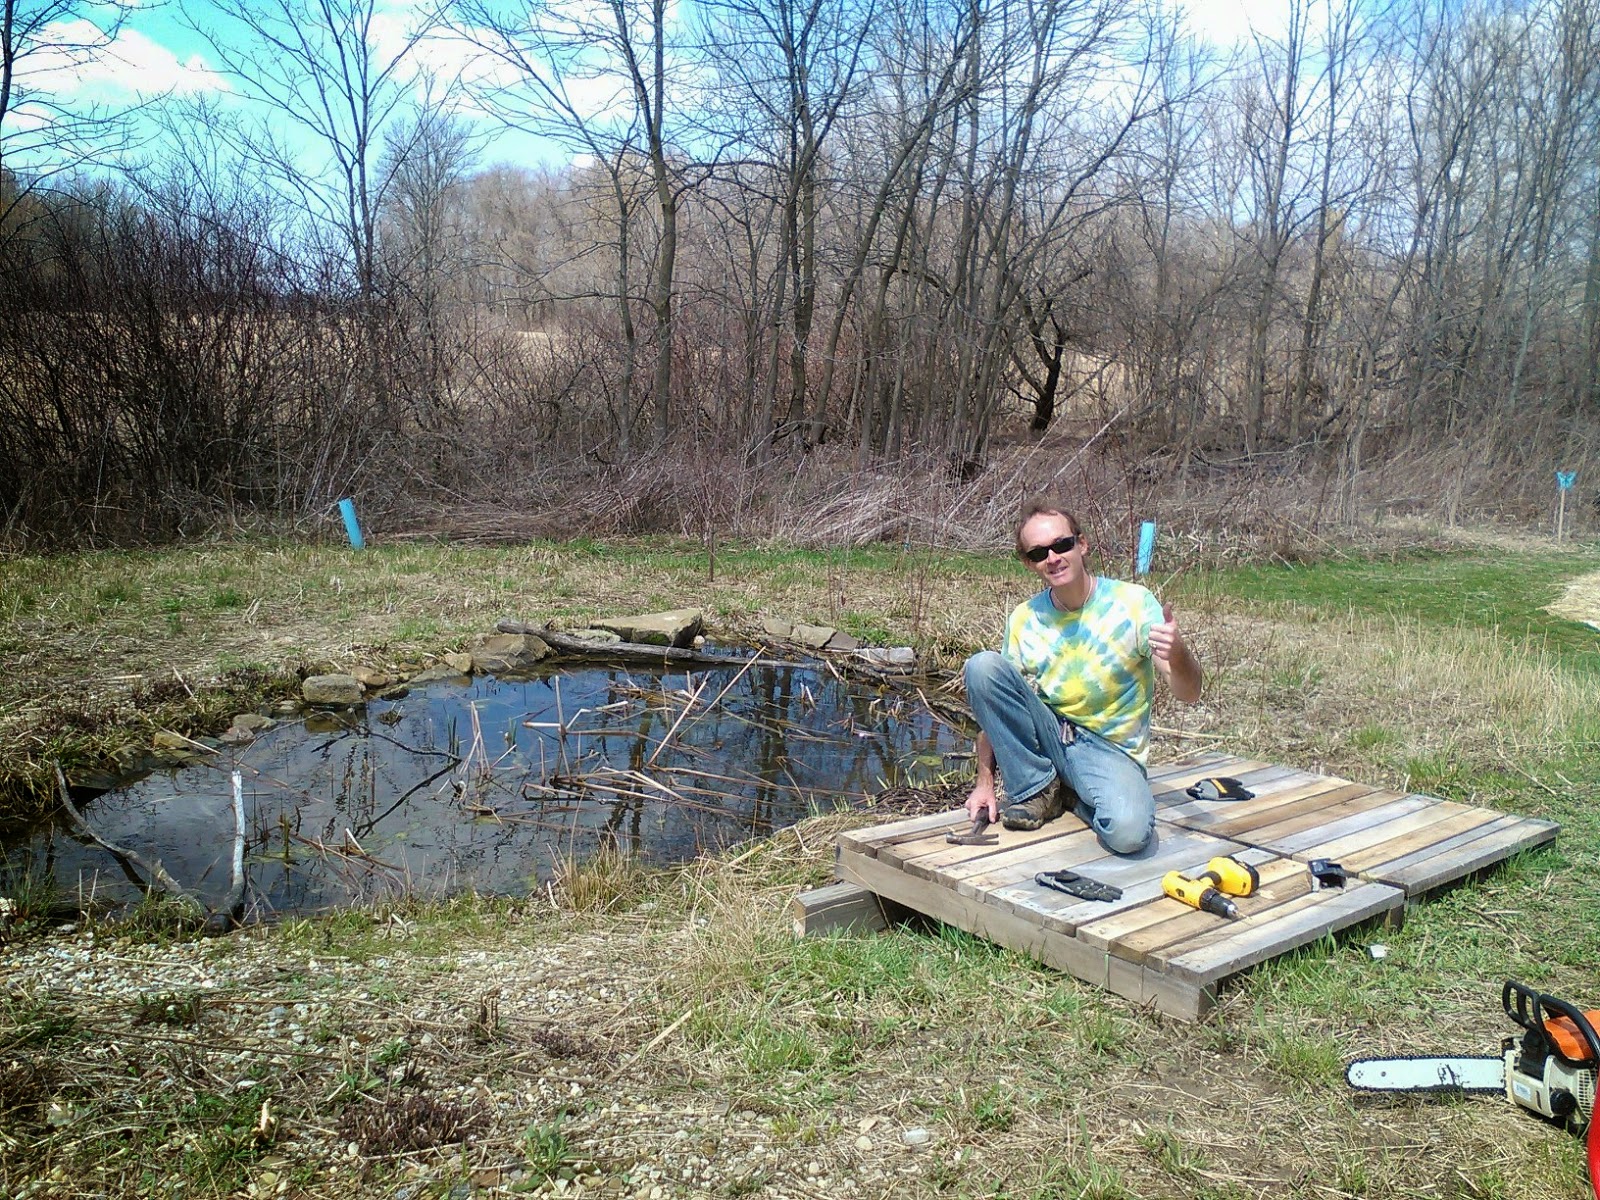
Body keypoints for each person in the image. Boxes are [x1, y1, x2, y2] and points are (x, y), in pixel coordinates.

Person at [962, 501, 1202, 854]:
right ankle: (1036, 788)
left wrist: (1177, 652)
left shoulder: (1133, 604)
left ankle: (1070, 792)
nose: (1054, 557)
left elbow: (1190, 693)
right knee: (982, 666)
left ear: (1082, 544)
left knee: (1128, 834)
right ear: (1029, 563)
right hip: (1051, 733)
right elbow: (995, 711)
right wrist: (984, 781)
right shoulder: (1024, 618)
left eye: (1062, 545)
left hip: (1111, 749)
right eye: (1040, 552)